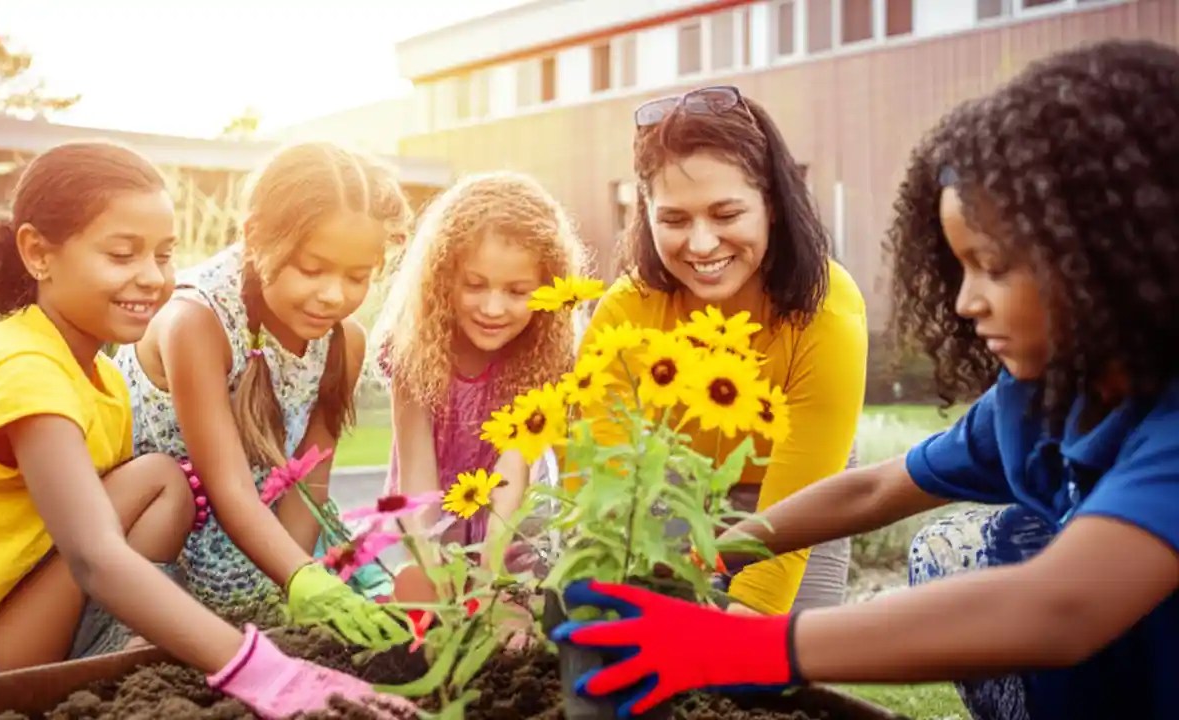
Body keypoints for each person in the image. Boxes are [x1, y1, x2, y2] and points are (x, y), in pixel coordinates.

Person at [551, 39, 1179, 720]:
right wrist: (719, 558)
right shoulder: (1035, 405)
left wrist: (748, 644)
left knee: (981, 555)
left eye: (993, 267)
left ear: (1104, 258)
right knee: (954, 546)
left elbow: (1061, 607)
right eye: (959, 268)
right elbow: (875, 487)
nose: (965, 302)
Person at [0, 142, 413, 718]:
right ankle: (116, 670)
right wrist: (270, 673)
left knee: (162, 483)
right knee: (156, 495)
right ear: (38, 253)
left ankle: (126, 655)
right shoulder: (23, 372)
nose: (151, 278)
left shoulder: (96, 378)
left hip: (2, 617)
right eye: (122, 256)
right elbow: (94, 559)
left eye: (164, 255)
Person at [578, 84, 867, 615]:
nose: (702, 244)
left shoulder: (827, 308)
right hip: (671, 489)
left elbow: (793, 515)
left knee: (781, 672)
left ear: (772, 206)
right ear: (645, 214)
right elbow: (601, 481)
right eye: (674, 219)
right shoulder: (625, 310)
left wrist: (744, 623)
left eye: (727, 214)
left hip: (797, 491)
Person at [114, 143, 408, 630]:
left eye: (357, 276)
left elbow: (307, 484)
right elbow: (227, 486)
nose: (333, 295)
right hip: (162, 543)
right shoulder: (196, 321)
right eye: (311, 269)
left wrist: (294, 588)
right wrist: (296, 577)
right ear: (255, 237)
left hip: (272, 542)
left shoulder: (342, 341)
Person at [369, 171, 587, 584]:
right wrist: (432, 563)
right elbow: (415, 465)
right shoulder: (415, 344)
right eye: (475, 284)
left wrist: (491, 573)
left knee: (509, 613)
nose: (492, 307)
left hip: (511, 520)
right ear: (443, 276)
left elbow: (514, 468)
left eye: (517, 291)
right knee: (423, 592)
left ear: (547, 288)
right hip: (427, 513)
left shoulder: (546, 354)